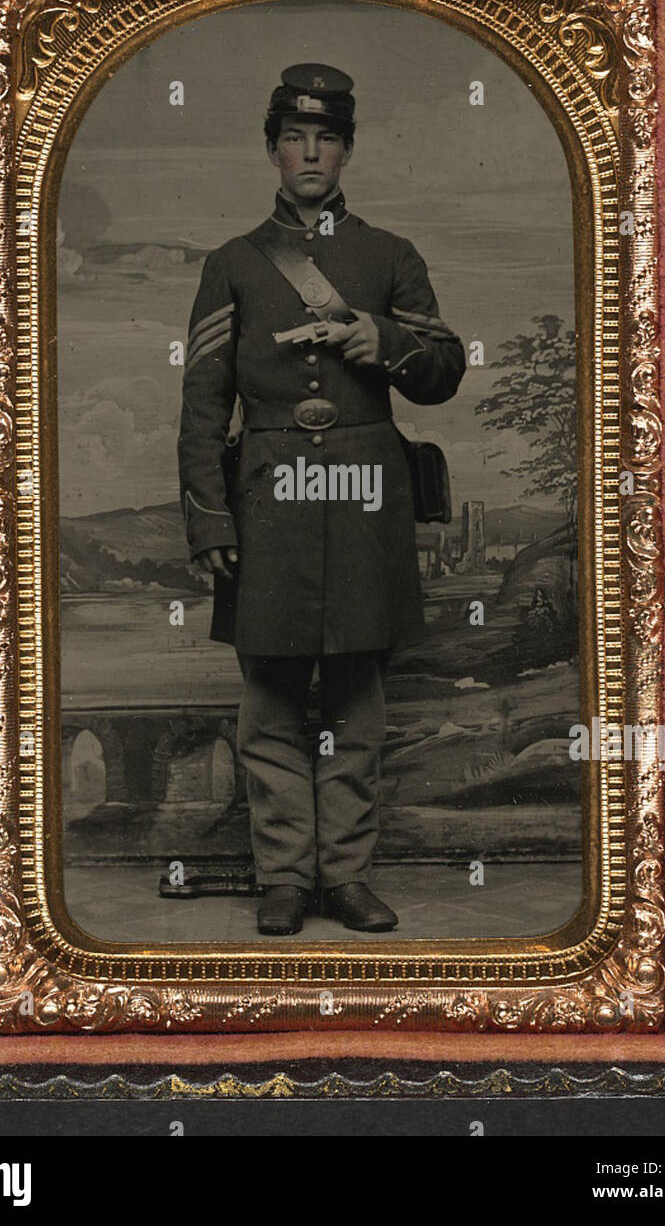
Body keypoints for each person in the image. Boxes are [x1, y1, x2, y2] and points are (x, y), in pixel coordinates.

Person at [178, 64, 465, 935]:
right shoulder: (232, 263)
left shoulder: (389, 256)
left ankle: (344, 876)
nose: (310, 153)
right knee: (267, 702)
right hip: (267, 500)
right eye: (294, 139)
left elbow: (443, 374)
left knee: (356, 704)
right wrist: (208, 520)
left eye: (326, 139)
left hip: (366, 496)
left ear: (346, 151)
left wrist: (379, 337)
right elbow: (200, 404)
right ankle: (284, 879)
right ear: (272, 150)